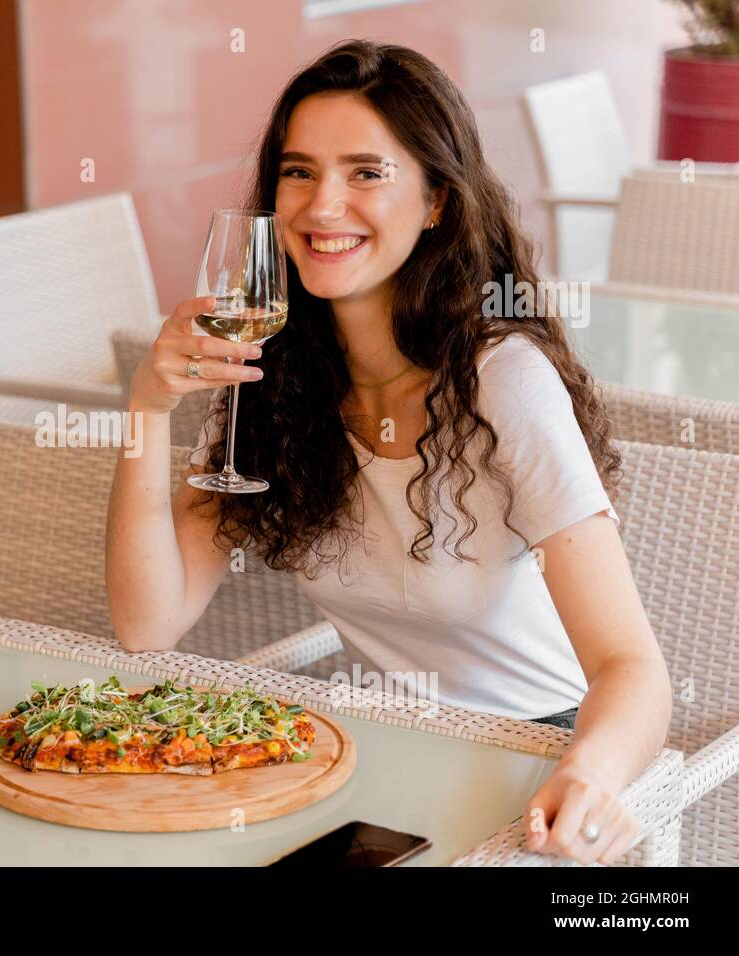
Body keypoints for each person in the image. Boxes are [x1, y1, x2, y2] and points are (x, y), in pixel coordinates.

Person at [105, 39, 671, 866]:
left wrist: (589, 774)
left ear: (438, 199)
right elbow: (145, 624)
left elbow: (632, 669)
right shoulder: (269, 377)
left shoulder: (500, 379)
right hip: (374, 764)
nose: (322, 206)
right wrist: (147, 409)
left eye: (366, 173)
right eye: (299, 173)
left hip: (536, 764)